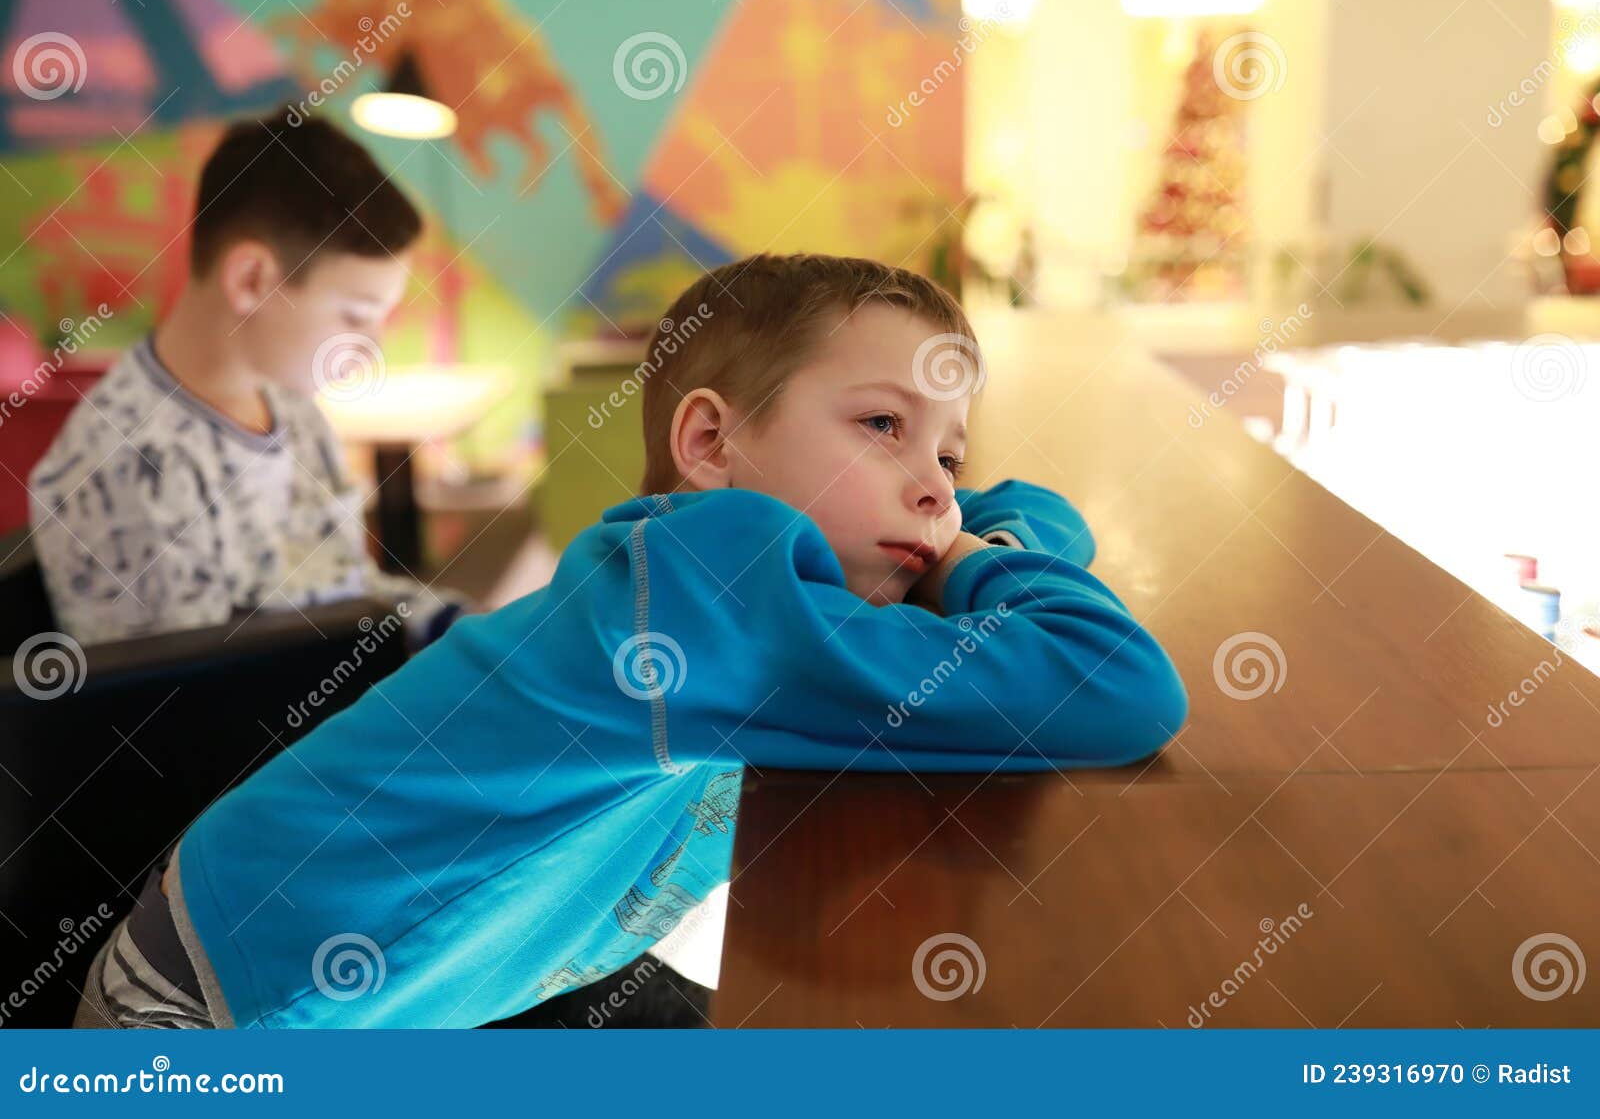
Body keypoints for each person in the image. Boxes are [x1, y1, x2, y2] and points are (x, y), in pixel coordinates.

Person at [74, 252, 1188, 1029]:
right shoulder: (714, 586)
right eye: (882, 424)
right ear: (710, 440)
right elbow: (1117, 684)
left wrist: (957, 521)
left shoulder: (732, 566)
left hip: (467, 976)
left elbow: (1031, 507)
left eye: (946, 454)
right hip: (227, 1019)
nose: (933, 489)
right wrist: (976, 556)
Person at [29, 109, 467, 651]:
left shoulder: (290, 407)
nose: (372, 346)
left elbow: (346, 585)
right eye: (355, 316)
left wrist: (459, 629)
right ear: (251, 279)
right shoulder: (130, 466)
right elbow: (193, 707)